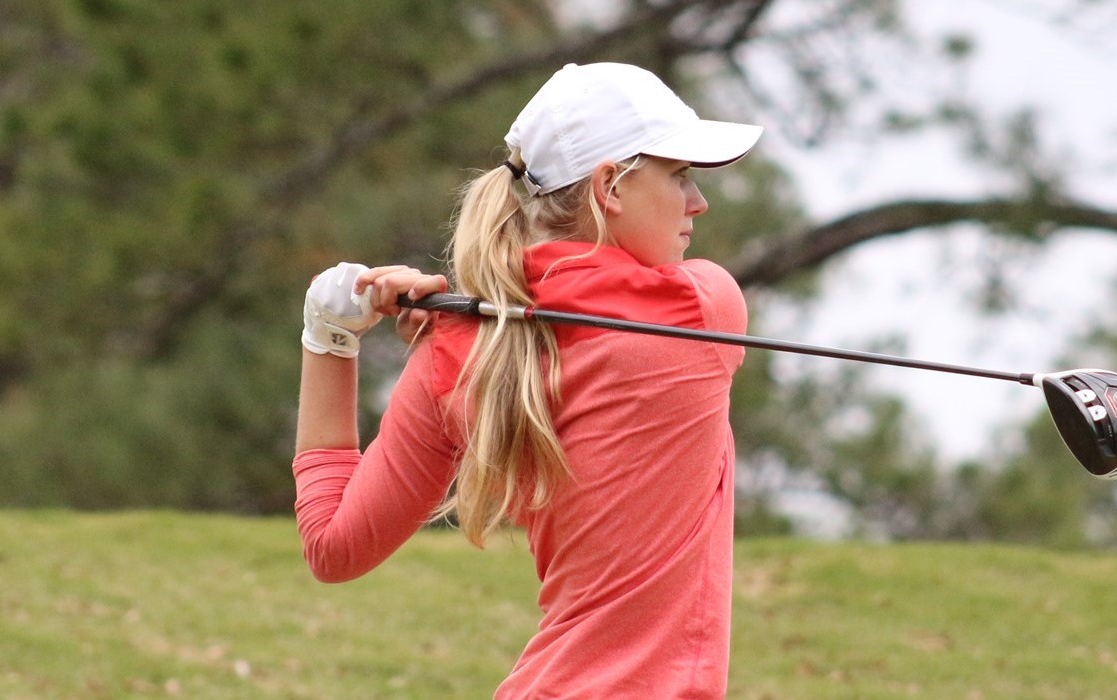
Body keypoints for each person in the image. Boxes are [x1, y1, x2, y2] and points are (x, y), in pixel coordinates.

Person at [291, 62, 763, 698]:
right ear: (609, 186)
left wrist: (329, 337)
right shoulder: (702, 308)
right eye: (679, 174)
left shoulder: (460, 346)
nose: (698, 202)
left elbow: (332, 547)